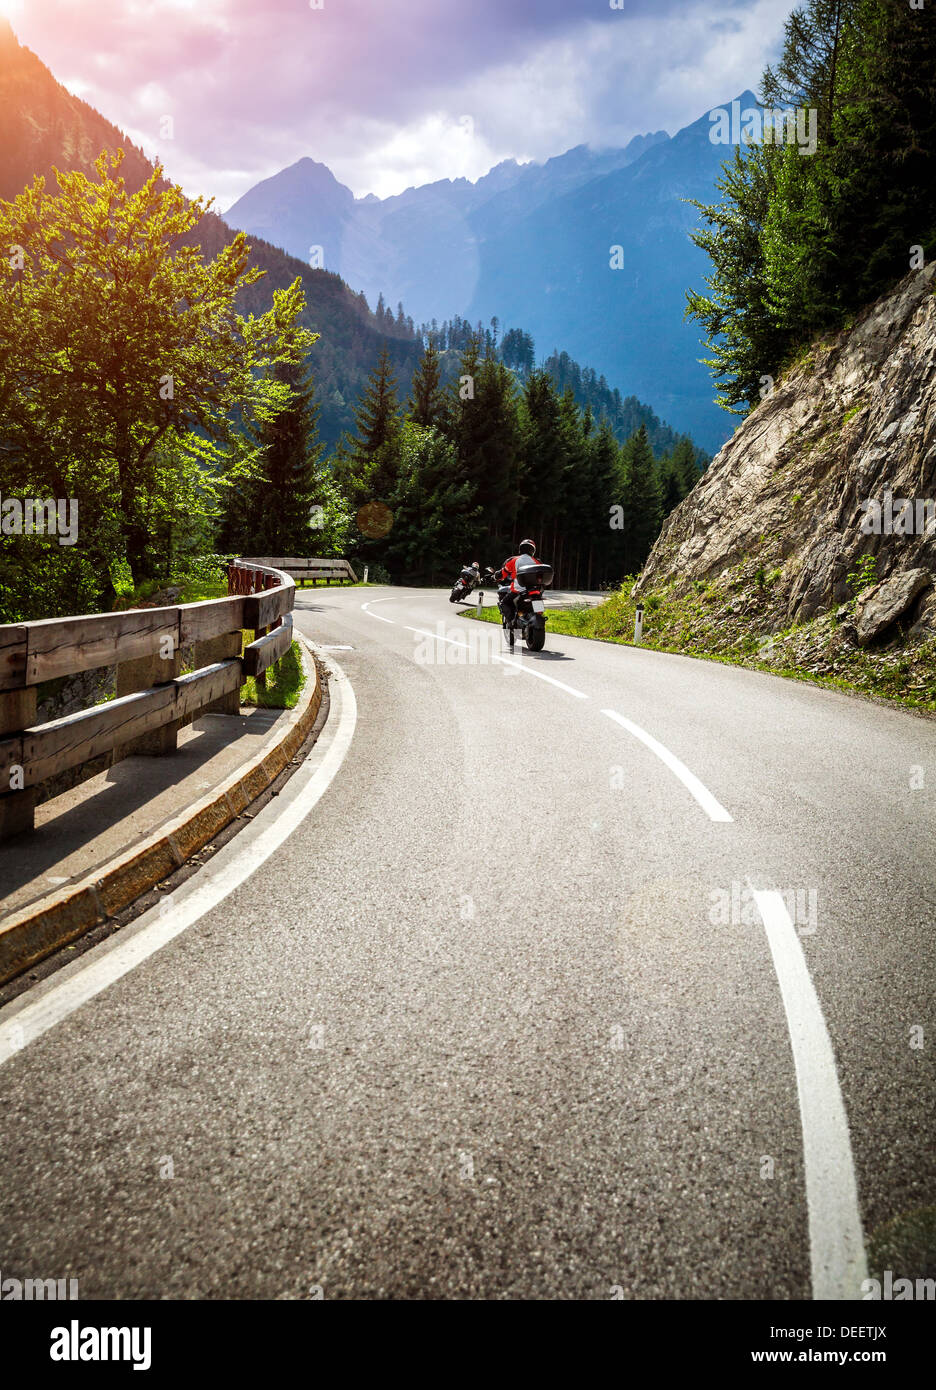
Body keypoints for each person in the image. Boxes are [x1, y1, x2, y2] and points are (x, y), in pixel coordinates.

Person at [494, 538, 541, 624]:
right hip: (534, 591)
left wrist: (496, 576)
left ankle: (512, 622)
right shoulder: (537, 562)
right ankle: (538, 616)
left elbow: (503, 573)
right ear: (533, 551)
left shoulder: (514, 560)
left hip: (518, 591)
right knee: (539, 608)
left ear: (520, 549)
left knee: (504, 603)